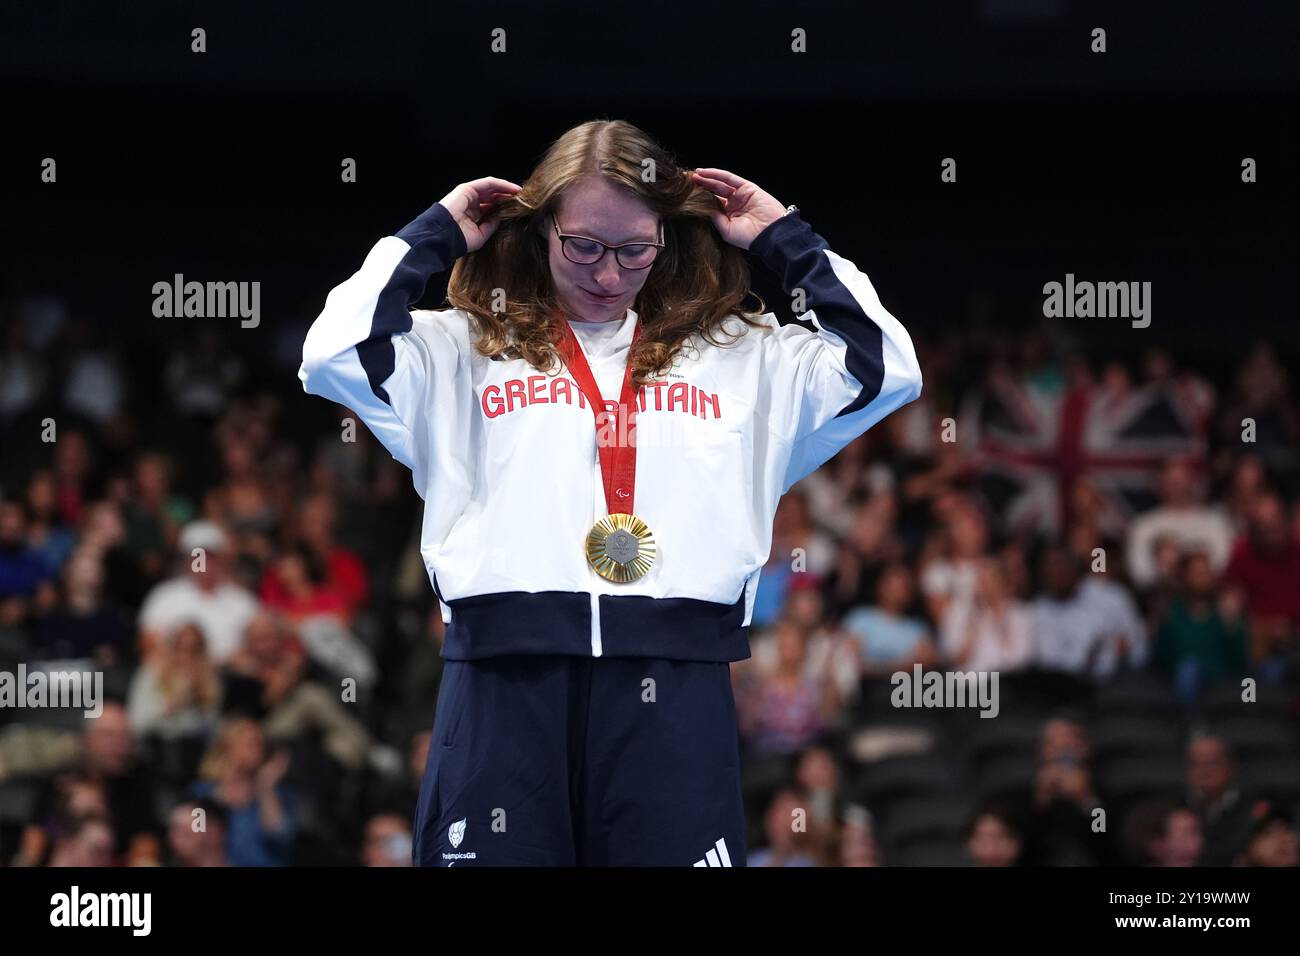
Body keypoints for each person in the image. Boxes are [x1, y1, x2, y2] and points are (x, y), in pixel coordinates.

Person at [298, 119, 923, 866]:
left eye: (634, 250)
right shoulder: (462, 348)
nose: (606, 274)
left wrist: (786, 239)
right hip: (506, 683)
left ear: (667, 238)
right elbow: (331, 352)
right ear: (540, 232)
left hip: (675, 687)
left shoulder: (743, 360)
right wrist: (434, 234)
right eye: (583, 246)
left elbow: (887, 369)